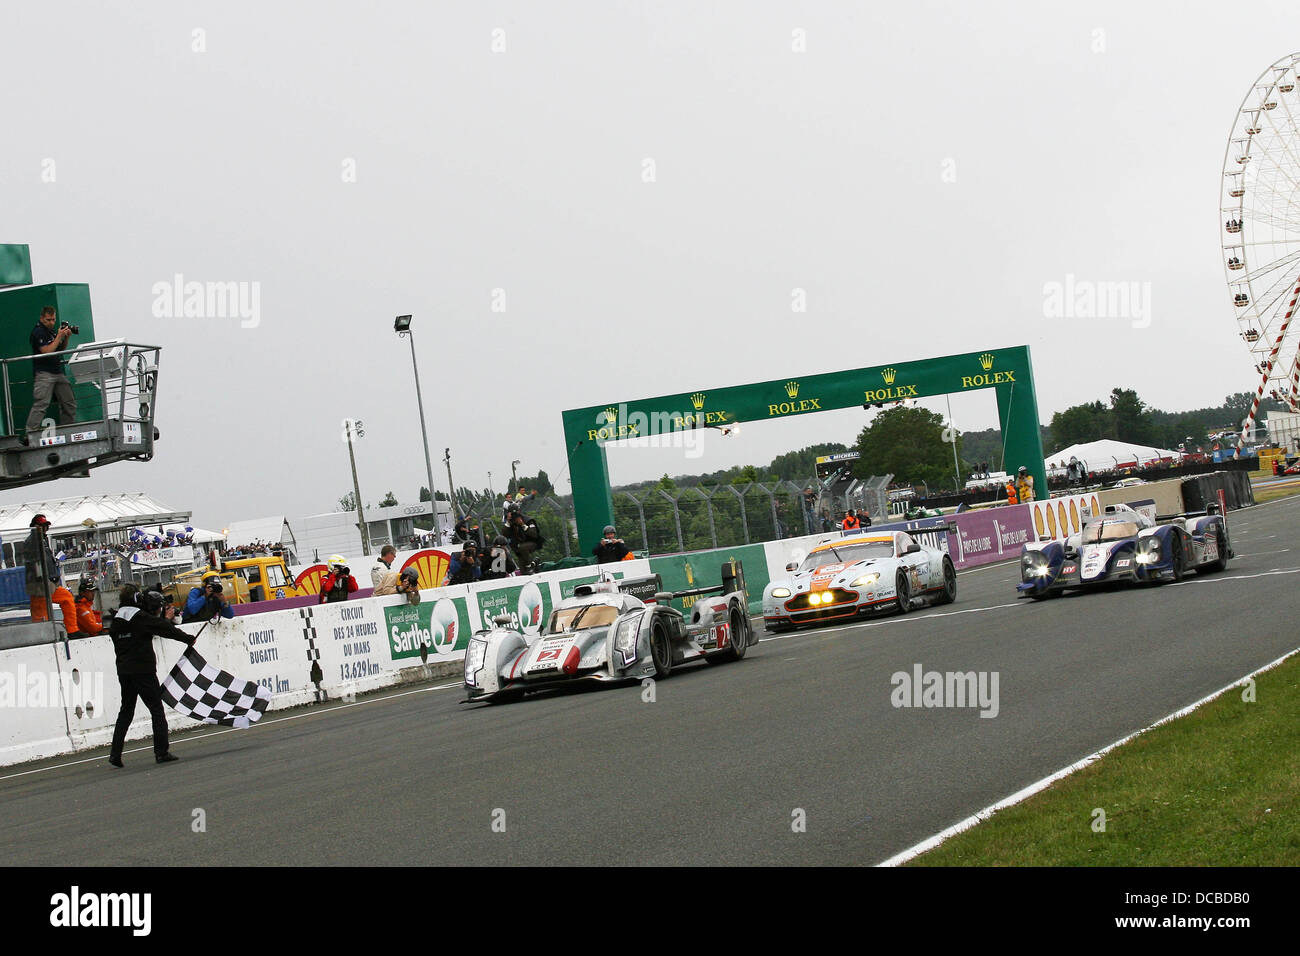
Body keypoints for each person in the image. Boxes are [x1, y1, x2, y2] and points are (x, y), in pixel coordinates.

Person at [108, 589, 196, 767]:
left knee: (126, 711)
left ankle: (115, 753)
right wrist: (187, 638)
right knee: (156, 709)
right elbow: (164, 628)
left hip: (124, 671)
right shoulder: (140, 617)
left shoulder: (116, 621)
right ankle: (161, 752)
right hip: (143, 670)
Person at [21, 306, 77, 445]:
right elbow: (47, 350)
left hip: (57, 372)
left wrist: (66, 338)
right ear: (42, 318)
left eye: (53, 319)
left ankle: (67, 431)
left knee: (69, 402)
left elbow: (59, 349)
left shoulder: (50, 331)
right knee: (41, 404)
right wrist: (59, 336)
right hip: (44, 373)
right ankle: (29, 433)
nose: (51, 322)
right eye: (48, 320)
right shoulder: (38, 332)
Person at [24, 514, 60, 621]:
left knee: (66, 598)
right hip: (40, 584)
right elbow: (34, 562)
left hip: (47, 582)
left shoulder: (42, 539)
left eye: (45, 526)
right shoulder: (33, 541)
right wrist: (42, 580)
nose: (45, 528)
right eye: (42, 525)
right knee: (40, 612)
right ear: (34, 526)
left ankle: (72, 630)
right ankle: (42, 634)